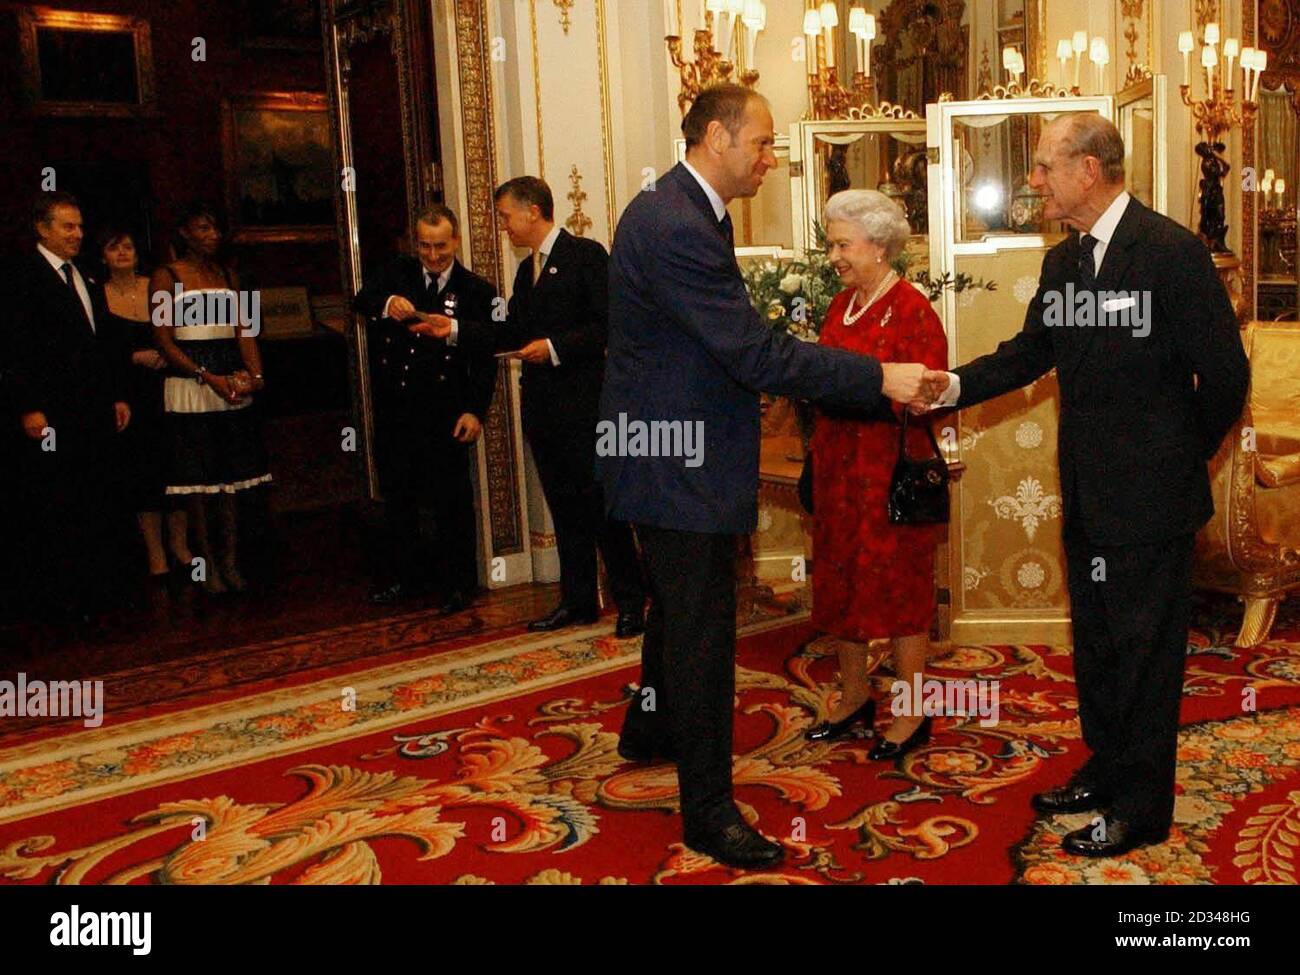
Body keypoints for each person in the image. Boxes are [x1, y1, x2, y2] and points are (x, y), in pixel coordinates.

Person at [597, 84, 932, 869]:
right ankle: (708, 812)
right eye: (764, 143)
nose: (772, 159)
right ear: (718, 136)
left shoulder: (675, 207)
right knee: (704, 630)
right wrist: (877, 377)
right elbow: (751, 353)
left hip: (666, 449)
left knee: (675, 609)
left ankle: (648, 727)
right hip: (677, 460)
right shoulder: (679, 222)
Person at [916, 113, 1249, 857]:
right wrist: (949, 387)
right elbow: (1030, 353)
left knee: (1146, 655)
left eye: (1042, 168)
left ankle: (1143, 806)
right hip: (1088, 492)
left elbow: (1226, 376)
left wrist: (1179, 455)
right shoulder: (1066, 265)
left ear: (1088, 171)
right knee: (1098, 644)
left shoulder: (1170, 253)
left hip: (1154, 500)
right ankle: (1109, 767)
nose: (1034, 182)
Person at [422, 177, 647, 637]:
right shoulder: (527, 271)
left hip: (586, 411)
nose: (503, 225)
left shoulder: (586, 256)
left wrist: (554, 346)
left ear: (531, 211)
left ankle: (631, 603)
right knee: (565, 510)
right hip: (544, 413)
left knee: (602, 509)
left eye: (505, 215)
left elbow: (610, 328)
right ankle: (579, 600)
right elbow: (511, 334)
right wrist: (456, 330)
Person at [802, 190, 948, 761]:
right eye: (832, 244)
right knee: (841, 584)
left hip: (890, 474)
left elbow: (933, 392)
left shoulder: (912, 307)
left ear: (880, 244)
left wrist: (911, 395)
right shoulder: (842, 306)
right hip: (839, 469)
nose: (834, 256)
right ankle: (856, 693)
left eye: (843, 244)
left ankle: (913, 709)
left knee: (902, 591)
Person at [354, 204, 498, 615]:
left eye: (440, 246)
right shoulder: (396, 274)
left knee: (450, 501)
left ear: (455, 241)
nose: (432, 255)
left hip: (447, 412)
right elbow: (360, 301)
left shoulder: (476, 291)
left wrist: (475, 410)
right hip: (398, 409)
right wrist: (389, 303)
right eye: (424, 246)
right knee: (400, 498)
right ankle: (406, 578)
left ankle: (457, 584)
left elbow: (485, 356)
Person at [1, 191, 133, 622]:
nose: (78, 234)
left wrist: (114, 394)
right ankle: (59, 598)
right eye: (68, 226)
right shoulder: (22, 276)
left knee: (96, 497)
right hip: (52, 414)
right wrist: (28, 407)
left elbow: (99, 345)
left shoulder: (84, 275)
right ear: (42, 228)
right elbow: (15, 348)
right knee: (56, 501)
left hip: (92, 411)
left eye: (79, 226)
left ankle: (99, 590)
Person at [151, 204, 271, 595]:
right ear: (185, 232)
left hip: (229, 380)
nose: (212, 235)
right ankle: (207, 565)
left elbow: (245, 331)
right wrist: (205, 376)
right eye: (203, 227)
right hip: (191, 383)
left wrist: (254, 377)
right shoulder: (166, 277)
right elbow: (164, 340)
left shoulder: (229, 276)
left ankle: (232, 560)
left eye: (215, 227)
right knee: (200, 482)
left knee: (232, 479)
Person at [97, 227, 188, 580]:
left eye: (128, 246)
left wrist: (168, 355)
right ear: (103, 255)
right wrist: (133, 357)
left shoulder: (157, 286)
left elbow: (180, 330)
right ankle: (154, 552)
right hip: (129, 393)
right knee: (142, 471)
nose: (122, 252)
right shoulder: (95, 294)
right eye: (114, 247)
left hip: (169, 385)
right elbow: (95, 352)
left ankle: (180, 546)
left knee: (176, 466)